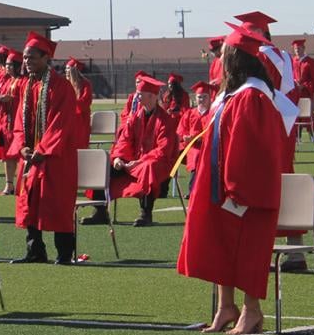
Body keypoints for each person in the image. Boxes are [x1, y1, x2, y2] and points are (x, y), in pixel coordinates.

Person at [177, 22, 286, 335]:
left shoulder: (253, 97)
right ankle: (226, 306)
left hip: (244, 188)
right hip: (220, 184)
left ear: (236, 59)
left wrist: (234, 186)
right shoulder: (230, 95)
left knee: (247, 249)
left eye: (224, 53)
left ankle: (252, 311)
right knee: (219, 243)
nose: (220, 59)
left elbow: (247, 146)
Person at [11, 31, 80, 265]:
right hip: (31, 157)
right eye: (26, 58)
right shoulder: (26, 86)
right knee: (29, 203)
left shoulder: (62, 88)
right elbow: (19, 123)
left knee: (57, 204)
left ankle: (64, 254)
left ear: (46, 58)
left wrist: (42, 149)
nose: (27, 62)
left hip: (55, 158)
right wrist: (22, 147)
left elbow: (61, 123)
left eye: (32, 58)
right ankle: (35, 251)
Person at [85, 75, 175, 227]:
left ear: (151, 96)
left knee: (148, 167)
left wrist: (138, 162)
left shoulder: (166, 121)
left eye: (140, 94)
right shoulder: (135, 117)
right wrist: (119, 158)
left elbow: (163, 150)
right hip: (132, 161)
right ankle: (100, 211)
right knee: (103, 165)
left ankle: (146, 214)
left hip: (157, 163)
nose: (136, 96)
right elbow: (124, 140)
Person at [0, 47, 23, 194]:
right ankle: (9, 184)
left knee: (19, 154)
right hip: (5, 121)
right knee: (7, 154)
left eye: (10, 65)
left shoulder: (22, 81)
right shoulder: (7, 80)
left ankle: (20, 183)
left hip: (18, 122)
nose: (7, 67)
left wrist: (3, 98)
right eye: (6, 65)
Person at [176, 81, 214, 190]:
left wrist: (200, 138)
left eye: (204, 97)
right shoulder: (189, 113)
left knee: (198, 155)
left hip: (208, 147)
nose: (201, 100)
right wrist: (185, 137)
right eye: (199, 97)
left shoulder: (213, 114)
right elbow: (181, 130)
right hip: (190, 147)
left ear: (210, 97)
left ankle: (193, 188)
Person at [65, 57, 93, 151]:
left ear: (74, 70)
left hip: (81, 119)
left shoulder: (85, 84)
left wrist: (70, 102)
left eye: (68, 68)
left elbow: (85, 102)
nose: (66, 70)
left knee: (81, 146)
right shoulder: (64, 83)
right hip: (67, 118)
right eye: (66, 68)